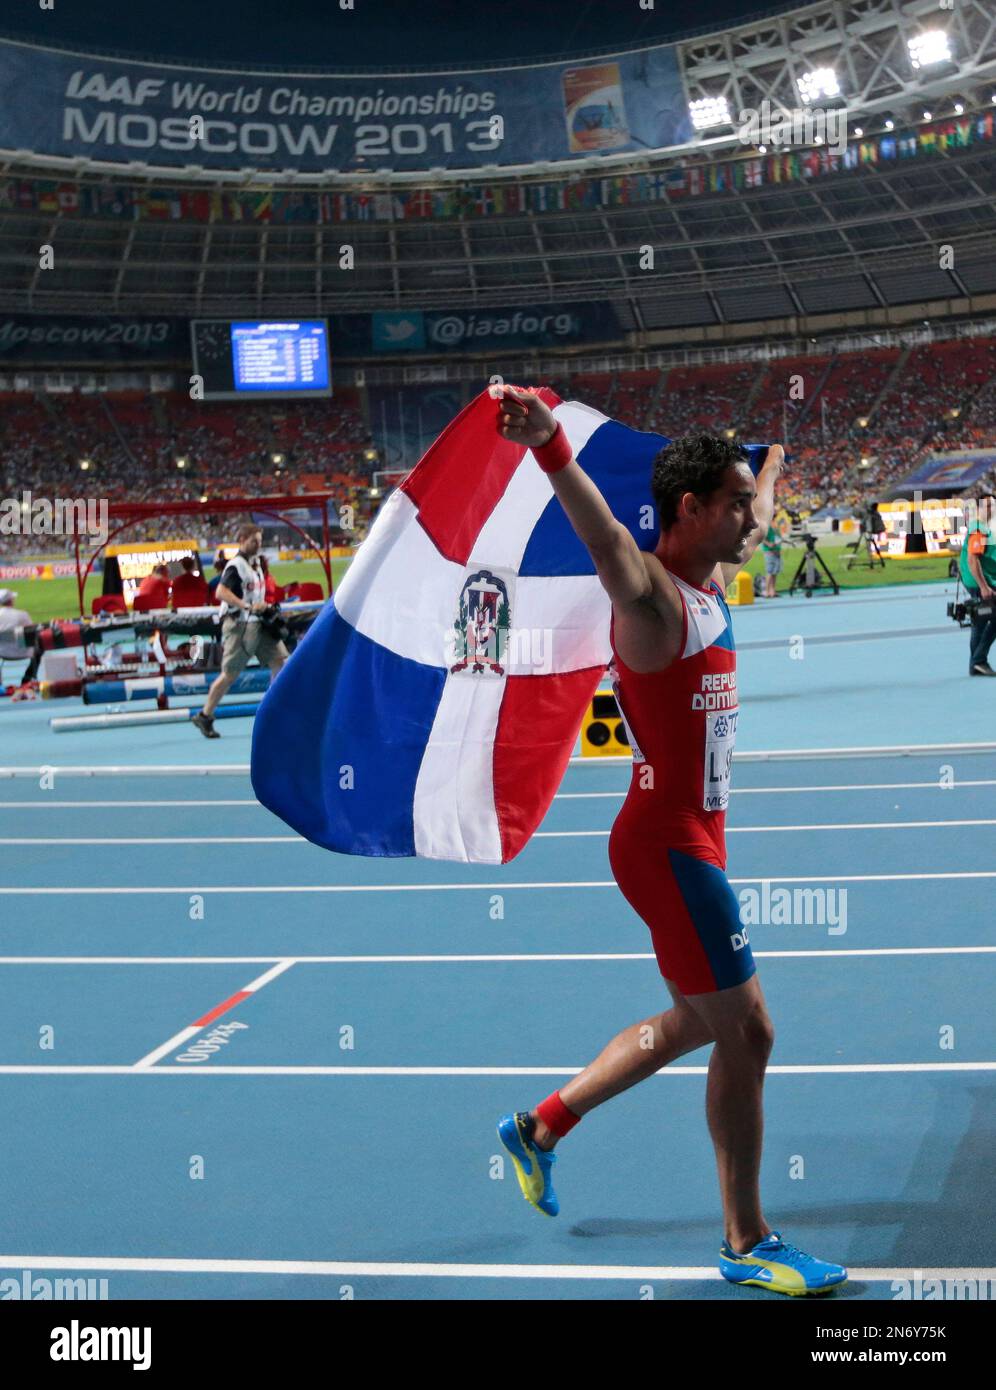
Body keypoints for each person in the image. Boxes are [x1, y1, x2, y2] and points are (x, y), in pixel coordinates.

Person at [492, 385, 847, 1297]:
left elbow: (758, 519)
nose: (750, 523)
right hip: (668, 845)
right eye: (730, 505)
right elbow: (606, 539)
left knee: (697, 1020)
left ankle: (539, 1127)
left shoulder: (712, 579)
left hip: (693, 838)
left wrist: (766, 467)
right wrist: (549, 447)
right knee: (751, 1033)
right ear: (688, 510)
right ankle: (746, 1240)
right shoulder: (651, 601)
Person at [192, 524, 287, 738]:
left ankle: (274, 712)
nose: (258, 545)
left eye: (260, 541)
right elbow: (221, 592)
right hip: (241, 626)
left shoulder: (255, 565)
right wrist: (247, 606)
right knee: (230, 674)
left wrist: (261, 607)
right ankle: (205, 715)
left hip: (259, 623)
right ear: (242, 539)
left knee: (281, 663)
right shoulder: (236, 566)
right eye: (255, 541)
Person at [958, 509, 996, 676]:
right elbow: (972, 559)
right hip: (979, 581)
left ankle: (976, 665)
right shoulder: (980, 529)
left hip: (982, 580)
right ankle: (978, 661)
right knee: (986, 619)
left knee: (980, 620)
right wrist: (983, 586)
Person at [0, 589, 32, 676]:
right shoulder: (22, 614)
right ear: (11, 600)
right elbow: (31, 632)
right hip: (22, 653)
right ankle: (28, 679)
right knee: (37, 646)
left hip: (2, 653)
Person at [760, 518, 785, 598]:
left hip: (776, 551)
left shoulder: (775, 526)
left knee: (775, 572)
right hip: (769, 552)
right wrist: (768, 544)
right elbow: (761, 538)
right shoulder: (766, 526)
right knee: (770, 572)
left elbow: (778, 537)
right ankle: (767, 591)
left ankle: (772, 591)